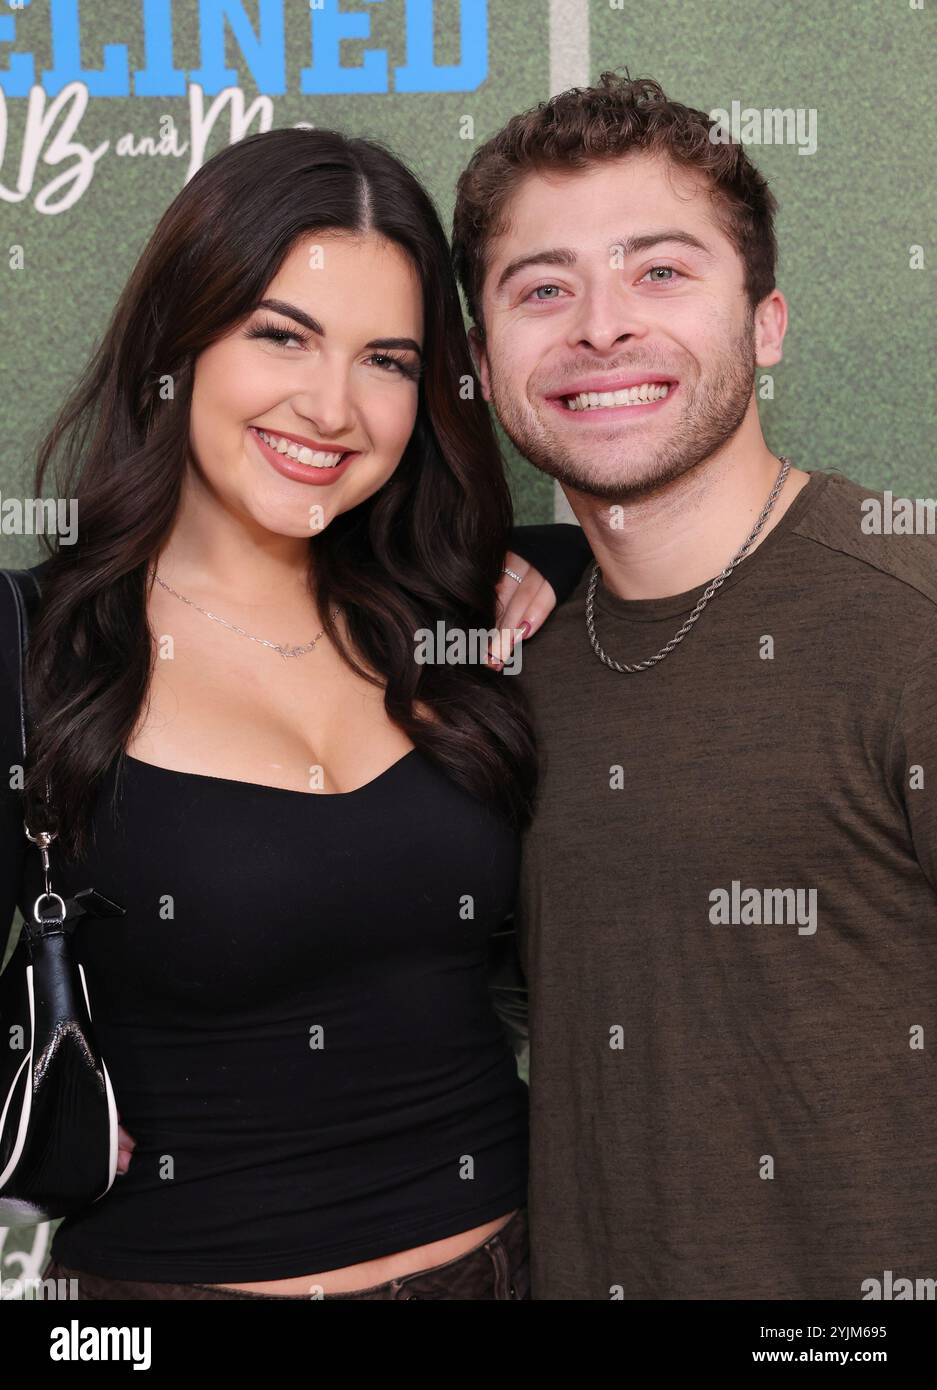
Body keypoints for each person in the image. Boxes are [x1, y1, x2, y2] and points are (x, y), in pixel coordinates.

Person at [0, 125, 585, 1301]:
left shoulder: (488, 605)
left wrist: (536, 574)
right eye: (282, 336)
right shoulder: (36, 645)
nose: (331, 407)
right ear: (182, 338)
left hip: (514, 1270)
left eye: (387, 360)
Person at [451, 71, 937, 1299]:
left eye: (660, 271)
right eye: (542, 288)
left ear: (764, 321)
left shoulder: (909, 615)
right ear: (480, 356)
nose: (599, 326)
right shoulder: (515, 660)